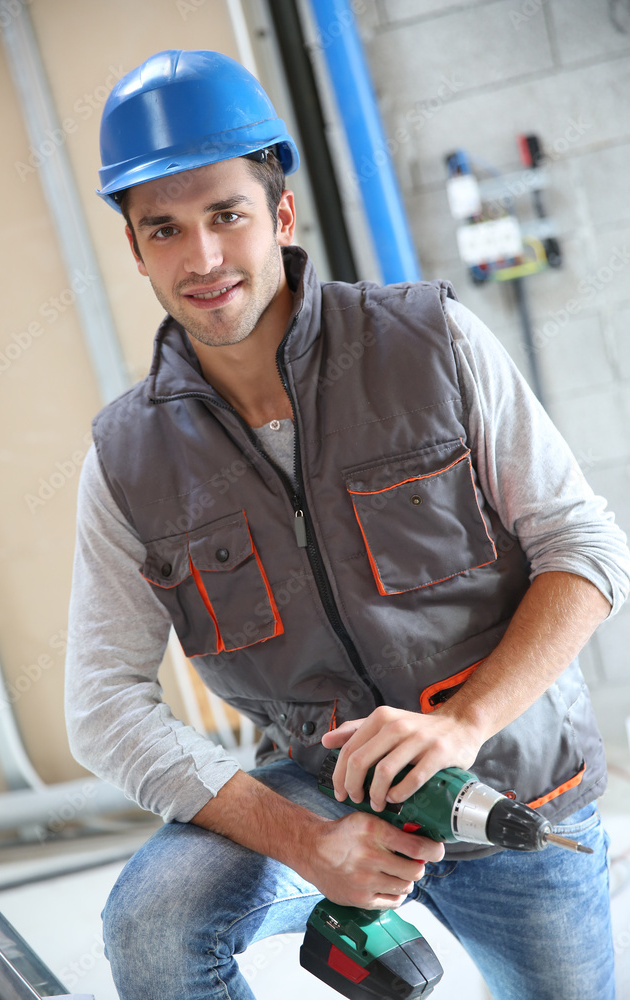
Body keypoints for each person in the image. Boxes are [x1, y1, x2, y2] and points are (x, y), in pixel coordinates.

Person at [65, 49, 629, 1000]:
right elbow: (100, 702)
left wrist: (460, 725)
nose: (201, 259)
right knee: (154, 925)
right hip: (319, 792)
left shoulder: (430, 344)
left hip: (508, 787)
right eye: (164, 229)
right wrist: (304, 842)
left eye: (226, 216)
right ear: (134, 248)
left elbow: (584, 546)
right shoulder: (126, 458)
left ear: (280, 217)